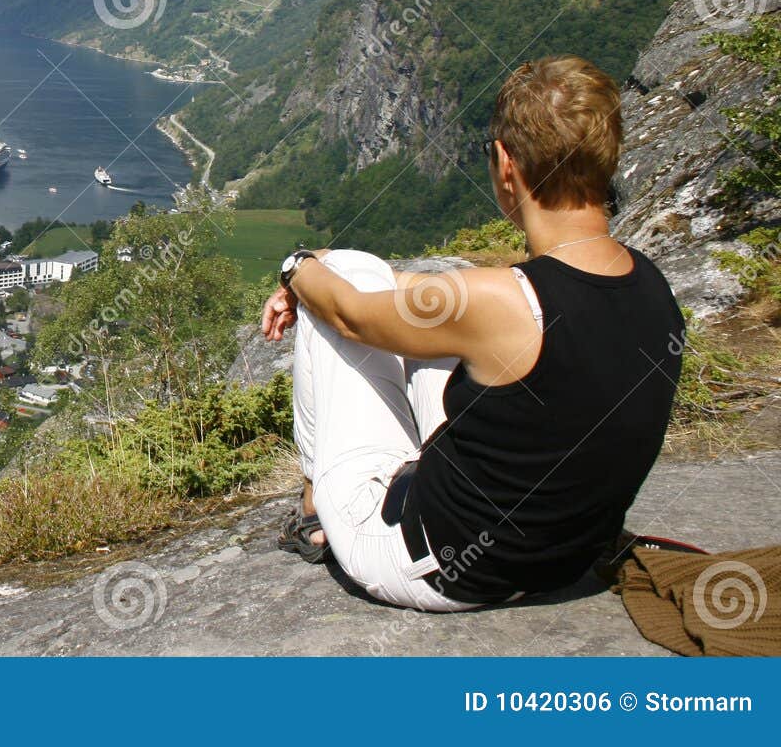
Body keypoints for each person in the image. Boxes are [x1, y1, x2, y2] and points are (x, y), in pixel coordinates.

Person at [260, 56, 684, 611]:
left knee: (332, 303)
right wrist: (327, 269)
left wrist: (297, 268)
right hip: (564, 563)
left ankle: (318, 512)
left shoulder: (500, 302)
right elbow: (407, 292)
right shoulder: (653, 286)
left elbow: (349, 315)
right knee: (358, 281)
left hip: (437, 568)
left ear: (507, 165)